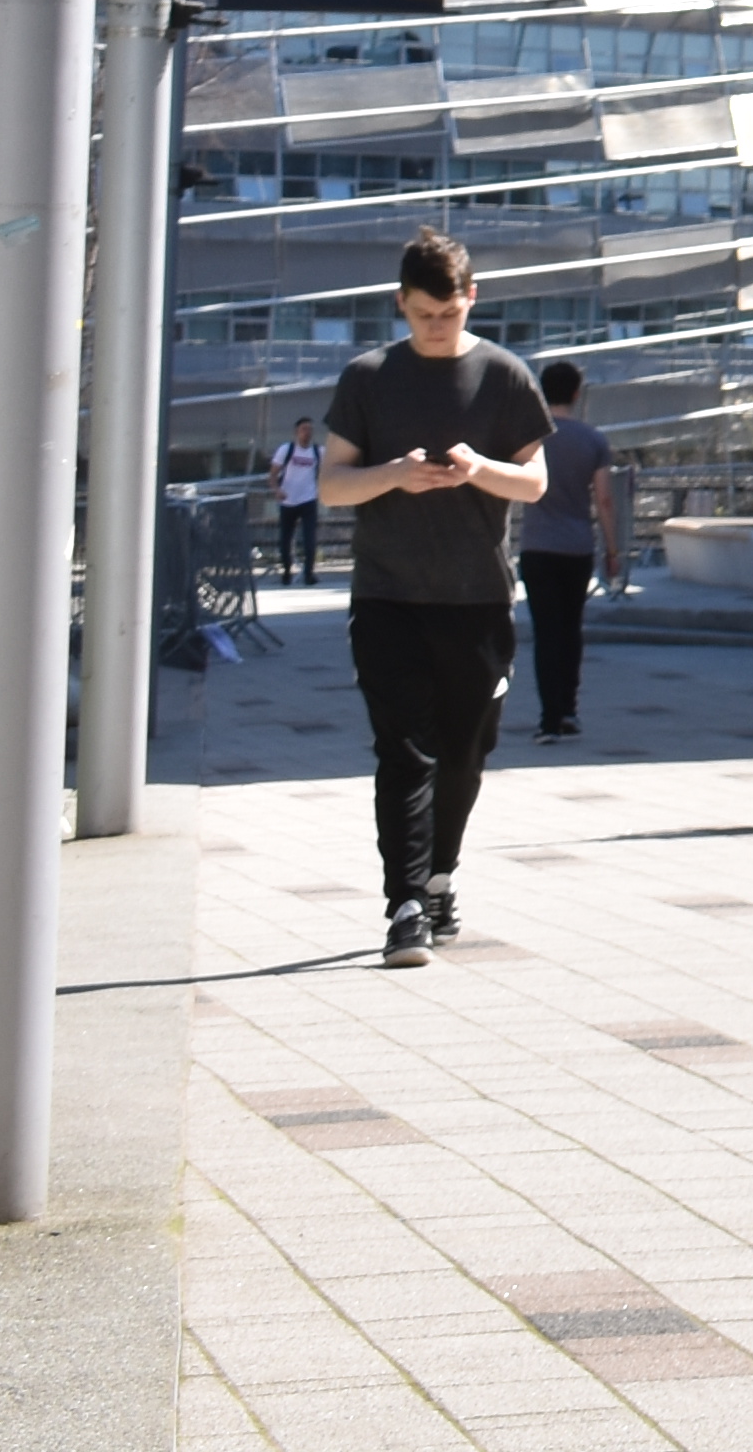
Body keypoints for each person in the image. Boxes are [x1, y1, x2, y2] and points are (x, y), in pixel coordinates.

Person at [315, 231, 551, 965]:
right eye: (422, 315)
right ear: (401, 306)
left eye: (447, 314)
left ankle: (440, 874)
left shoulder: (505, 377)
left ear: (470, 299)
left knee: (464, 753)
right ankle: (405, 905)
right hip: (388, 595)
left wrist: (479, 467)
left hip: (478, 599)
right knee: (403, 750)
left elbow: (535, 482)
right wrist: (393, 475)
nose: (436, 327)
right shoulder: (369, 377)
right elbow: (331, 484)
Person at [516, 360, 627, 739]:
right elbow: (605, 501)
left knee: (545, 633)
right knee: (570, 630)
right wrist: (613, 552)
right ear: (577, 393)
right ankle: (569, 709)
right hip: (577, 547)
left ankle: (548, 718)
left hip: (537, 546)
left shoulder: (529, 438)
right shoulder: (593, 440)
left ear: (541, 392)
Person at [271, 420, 325, 586]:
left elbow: (330, 470)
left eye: (310, 429)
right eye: (303, 429)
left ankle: (309, 573)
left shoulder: (318, 451)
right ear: (296, 432)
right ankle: (287, 571)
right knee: (285, 539)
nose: (307, 432)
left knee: (310, 538)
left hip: (308, 499)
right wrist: (277, 490)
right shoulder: (286, 450)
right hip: (288, 500)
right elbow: (272, 474)